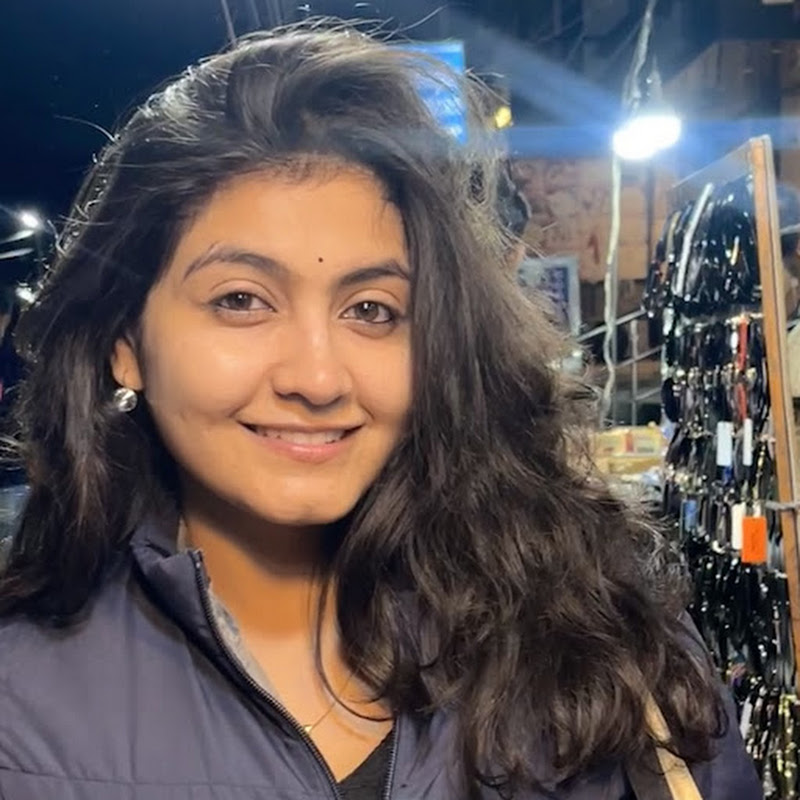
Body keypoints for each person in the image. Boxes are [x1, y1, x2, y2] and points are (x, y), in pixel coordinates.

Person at [0, 23, 760, 800]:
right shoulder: (18, 699)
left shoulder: (599, 624)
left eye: (372, 310)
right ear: (126, 342)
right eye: (241, 300)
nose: (318, 377)